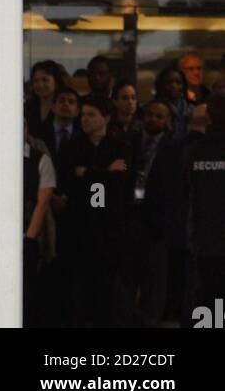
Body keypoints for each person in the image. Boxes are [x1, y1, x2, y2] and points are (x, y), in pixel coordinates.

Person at [59, 94, 130, 328]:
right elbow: (71, 181)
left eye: (91, 115)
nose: (84, 119)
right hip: (79, 224)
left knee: (107, 282)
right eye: (83, 114)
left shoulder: (120, 146)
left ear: (106, 118)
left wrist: (89, 173)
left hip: (109, 226)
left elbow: (120, 184)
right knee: (78, 281)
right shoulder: (72, 147)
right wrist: (104, 172)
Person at [117, 98, 180, 328]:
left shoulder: (175, 148)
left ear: (168, 121)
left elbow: (175, 191)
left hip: (157, 225)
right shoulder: (128, 142)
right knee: (126, 281)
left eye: (159, 116)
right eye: (150, 114)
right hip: (129, 219)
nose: (153, 119)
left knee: (154, 285)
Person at [184, 90, 225, 323]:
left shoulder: (194, 152)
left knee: (207, 300)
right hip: (207, 240)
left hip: (204, 242)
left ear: (208, 116)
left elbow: (184, 191)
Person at [23, 122, 57, 328]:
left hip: (28, 232)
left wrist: (29, 238)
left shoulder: (40, 158)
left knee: (28, 291)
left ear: (26, 129)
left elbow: (43, 202)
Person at [24, 61, 64, 140]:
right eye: (36, 81)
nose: (40, 85)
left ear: (56, 82)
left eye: (45, 80)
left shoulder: (64, 105)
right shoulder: (27, 107)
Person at [154, 65, 191, 141]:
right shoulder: (153, 109)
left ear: (183, 85)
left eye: (178, 82)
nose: (173, 85)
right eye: (169, 82)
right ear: (161, 84)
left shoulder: (191, 109)